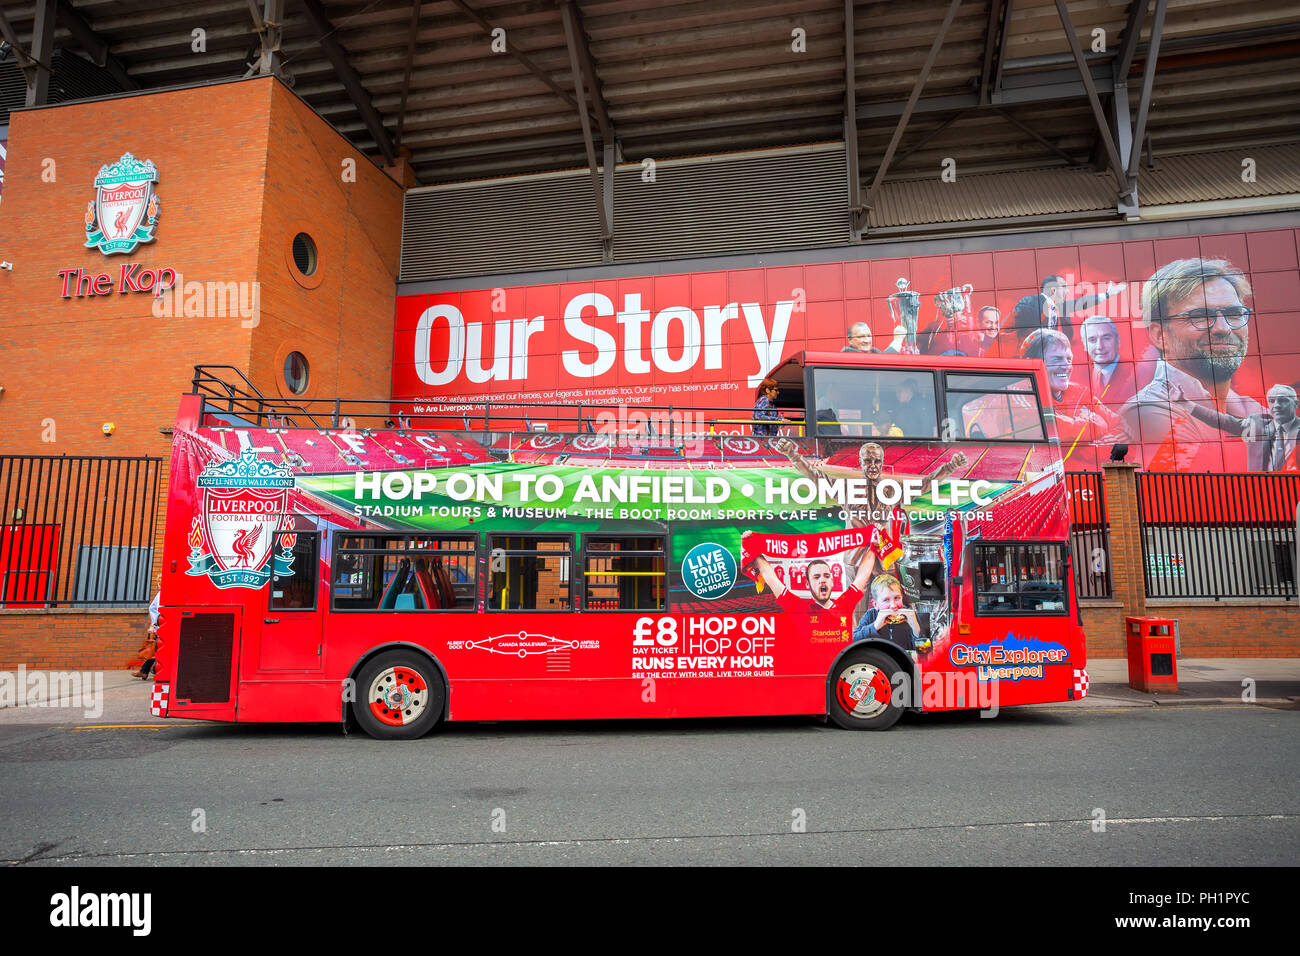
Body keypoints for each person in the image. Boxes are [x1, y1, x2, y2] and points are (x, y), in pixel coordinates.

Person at [1120, 258, 1260, 471]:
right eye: (1201, 316)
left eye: (1233, 314)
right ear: (1160, 336)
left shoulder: (1251, 407)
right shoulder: (1150, 411)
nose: (1223, 328)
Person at [742, 543, 874, 645]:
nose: (822, 579)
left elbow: (863, 574)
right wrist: (751, 546)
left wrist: (874, 544)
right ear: (807, 584)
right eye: (816, 577)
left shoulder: (845, 603)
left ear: (832, 581)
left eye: (826, 576)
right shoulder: (799, 607)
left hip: (839, 672)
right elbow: (771, 577)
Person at [1166, 382, 1300, 472]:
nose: (1276, 405)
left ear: (1295, 403)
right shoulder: (1256, 423)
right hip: (1260, 491)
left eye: (1282, 400)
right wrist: (1186, 404)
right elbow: (1222, 420)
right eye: (1272, 401)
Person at [1079, 314, 1137, 406]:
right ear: (1085, 345)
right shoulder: (1079, 378)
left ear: (1118, 341)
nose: (1100, 346)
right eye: (1092, 340)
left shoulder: (1137, 373)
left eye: (1106, 338)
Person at [852, 574, 922, 648]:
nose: (893, 605)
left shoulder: (911, 616)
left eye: (897, 598)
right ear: (875, 604)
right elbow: (851, 642)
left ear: (902, 597)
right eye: (886, 600)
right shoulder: (870, 615)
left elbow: (925, 651)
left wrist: (915, 628)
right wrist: (875, 626)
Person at [131, 592, 162, 680]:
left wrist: (153, 625)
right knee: (156, 649)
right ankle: (145, 671)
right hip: (160, 626)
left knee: (157, 650)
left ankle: (145, 671)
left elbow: (159, 610)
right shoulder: (162, 592)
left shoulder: (163, 592)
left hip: (161, 626)